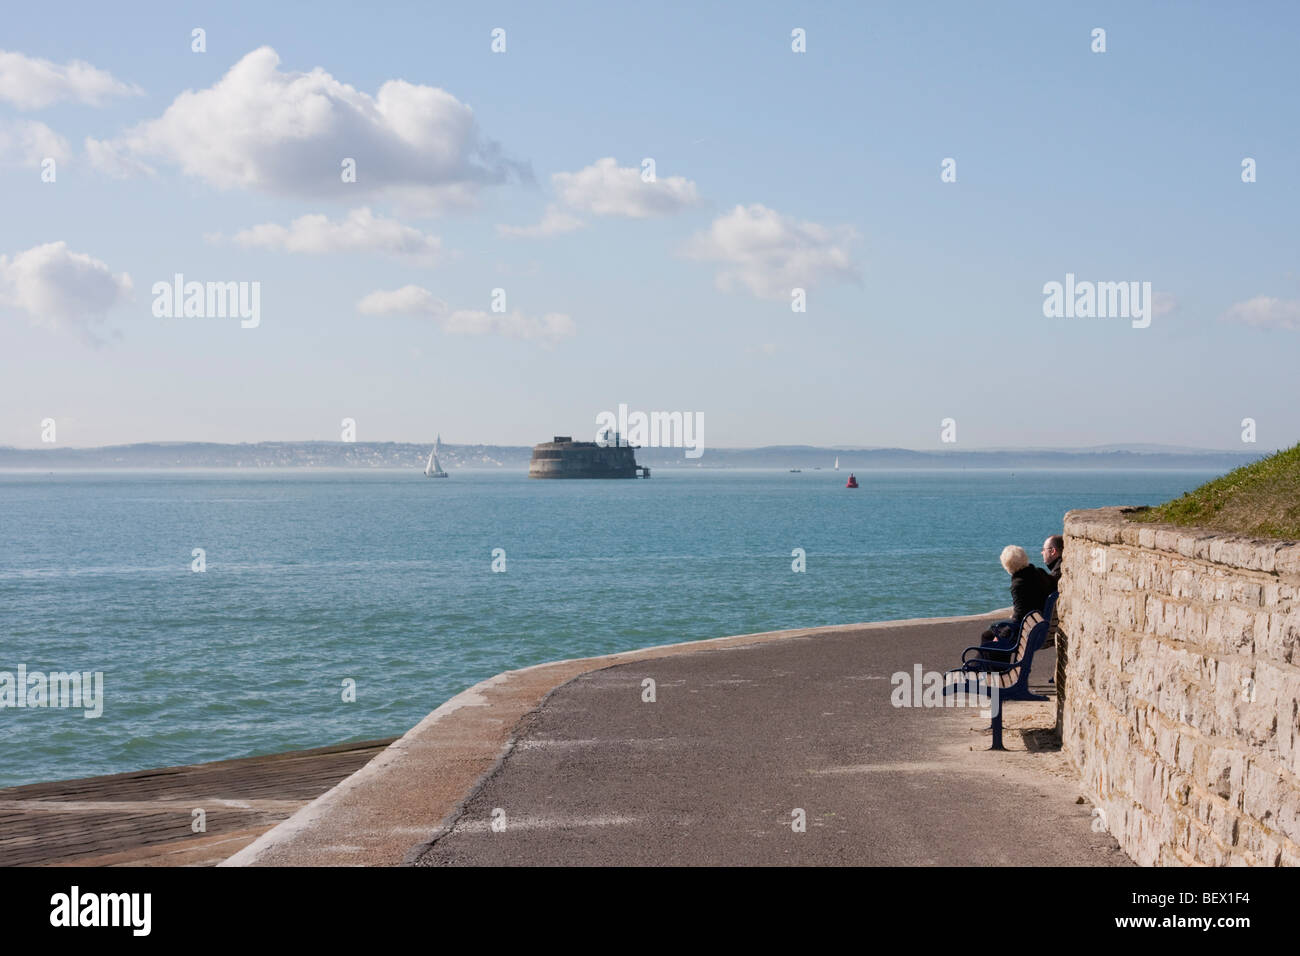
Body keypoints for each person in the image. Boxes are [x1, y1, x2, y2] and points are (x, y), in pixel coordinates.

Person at [977, 545, 1053, 658]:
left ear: (1007, 565)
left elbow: (1019, 617)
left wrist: (1001, 635)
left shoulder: (1018, 584)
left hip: (1028, 631)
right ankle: (990, 667)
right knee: (991, 631)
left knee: (993, 638)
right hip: (1039, 625)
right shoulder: (1040, 572)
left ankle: (990, 669)